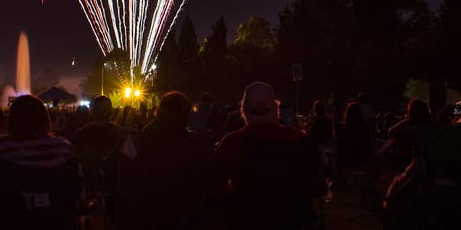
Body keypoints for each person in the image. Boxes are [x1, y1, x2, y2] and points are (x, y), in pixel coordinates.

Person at [214, 81, 322, 229]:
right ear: (275, 107)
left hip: (249, 219)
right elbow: (317, 183)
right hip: (295, 219)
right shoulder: (299, 138)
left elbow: (218, 186)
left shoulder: (231, 142)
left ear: (244, 109)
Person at [0, 94, 82, 229]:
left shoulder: (0, 149)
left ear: (12, 120)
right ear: (45, 119)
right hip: (57, 220)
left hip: (10, 220)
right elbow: (78, 193)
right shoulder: (65, 150)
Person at [109, 90, 213, 229]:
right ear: (184, 116)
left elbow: (121, 182)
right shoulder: (198, 146)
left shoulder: (135, 143)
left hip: (141, 220)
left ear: (158, 112)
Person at [72, 95, 126, 197]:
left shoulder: (80, 135)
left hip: (89, 189)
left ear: (92, 112)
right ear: (112, 112)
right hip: (114, 189)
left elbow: (75, 164)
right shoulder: (122, 134)